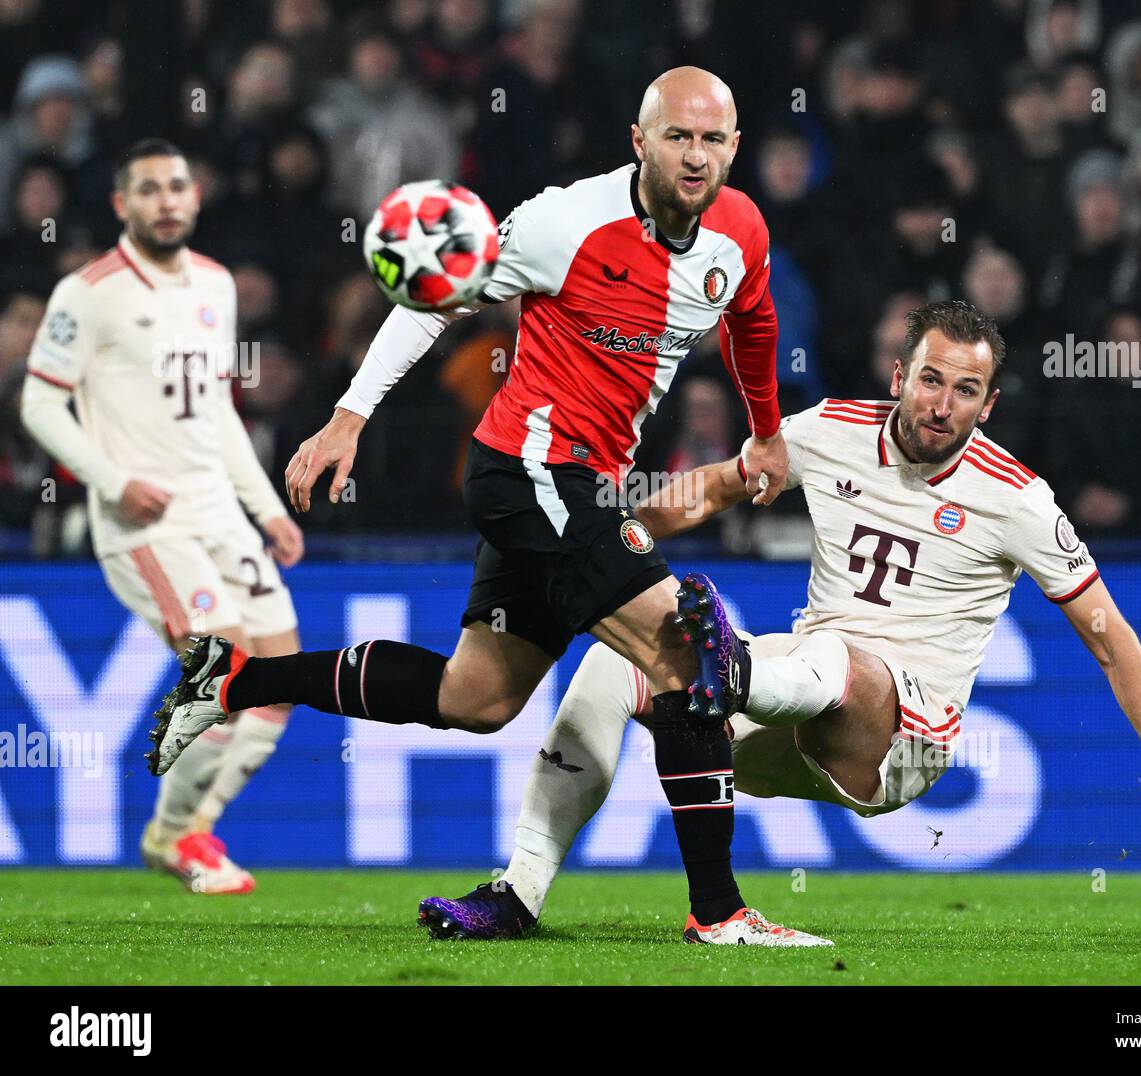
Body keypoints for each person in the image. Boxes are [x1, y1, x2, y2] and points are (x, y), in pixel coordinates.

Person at [149, 68, 849, 946]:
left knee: (473, 697)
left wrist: (767, 433)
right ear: (640, 141)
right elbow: (431, 299)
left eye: (713, 140)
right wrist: (348, 416)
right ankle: (720, 912)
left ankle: (235, 677)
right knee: (687, 655)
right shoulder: (564, 223)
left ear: (736, 147)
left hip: (585, 483)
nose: (696, 155)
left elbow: (754, 321)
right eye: (678, 136)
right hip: (532, 469)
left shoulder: (741, 229)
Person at [421, 299, 1141, 938]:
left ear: (987, 407)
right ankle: (517, 891)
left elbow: (1111, 640)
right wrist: (614, 536)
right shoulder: (827, 433)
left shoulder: (1017, 499)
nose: (942, 405)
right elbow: (711, 488)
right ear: (899, 376)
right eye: (931, 380)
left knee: (837, 659)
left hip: (900, 738)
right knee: (610, 666)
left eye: (965, 391)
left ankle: (731, 670)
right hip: (791, 705)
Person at [19, 138, 306, 894]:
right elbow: (39, 401)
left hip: (220, 513)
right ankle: (179, 838)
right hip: (146, 524)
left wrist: (266, 509)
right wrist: (111, 480)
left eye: (177, 186)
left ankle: (187, 829)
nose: (167, 200)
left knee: (276, 686)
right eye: (148, 189)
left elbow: (216, 412)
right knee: (228, 667)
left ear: (196, 196)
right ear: (122, 204)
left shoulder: (214, 284)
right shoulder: (89, 291)